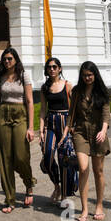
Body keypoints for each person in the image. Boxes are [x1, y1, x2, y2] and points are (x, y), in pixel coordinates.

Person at [0, 46, 34, 213]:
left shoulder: (24, 75)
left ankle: (29, 183)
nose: (7, 62)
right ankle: (10, 199)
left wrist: (30, 127)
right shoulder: (0, 76)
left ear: (16, 60)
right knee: (4, 158)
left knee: (21, 156)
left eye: (10, 59)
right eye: (5, 59)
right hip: (3, 116)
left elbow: (29, 102)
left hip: (20, 114)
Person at [63, 60, 110, 221]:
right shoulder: (76, 92)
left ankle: (99, 205)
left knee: (99, 171)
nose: (87, 78)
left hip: (98, 133)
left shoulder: (102, 93)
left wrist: (103, 130)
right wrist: (66, 130)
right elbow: (71, 114)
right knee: (83, 168)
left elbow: (105, 114)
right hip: (81, 133)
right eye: (84, 75)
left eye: (89, 75)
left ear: (95, 75)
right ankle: (84, 209)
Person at [36, 57, 75, 206]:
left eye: (54, 67)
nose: (51, 69)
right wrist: (41, 131)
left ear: (60, 69)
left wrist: (70, 127)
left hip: (65, 122)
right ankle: (56, 186)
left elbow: (73, 108)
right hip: (50, 123)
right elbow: (43, 110)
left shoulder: (67, 86)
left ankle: (65, 195)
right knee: (48, 155)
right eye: (49, 67)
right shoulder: (45, 88)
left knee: (64, 159)